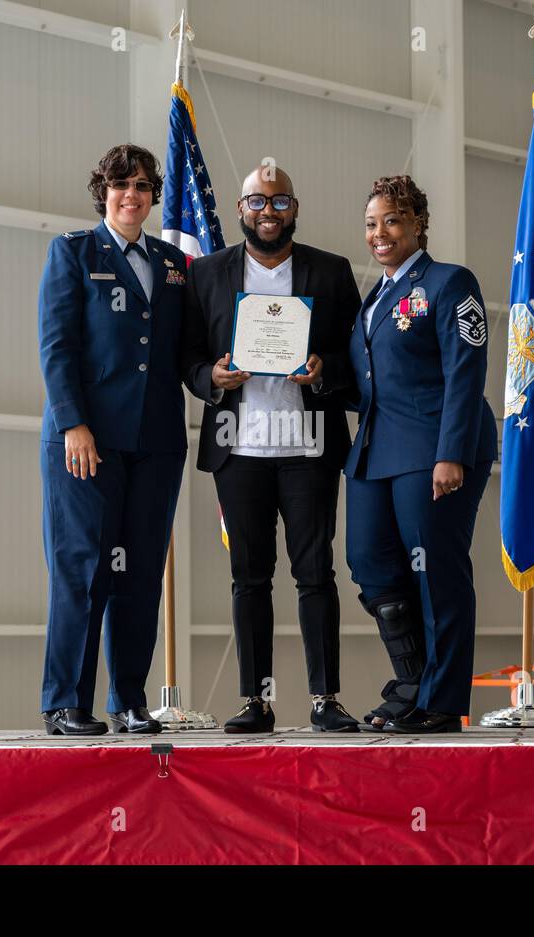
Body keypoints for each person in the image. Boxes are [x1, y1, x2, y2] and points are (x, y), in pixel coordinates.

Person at [183, 164, 362, 733]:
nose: (268, 212)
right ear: (241, 209)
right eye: (257, 202)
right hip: (239, 449)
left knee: (315, 574)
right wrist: (211, 377)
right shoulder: (206, 273)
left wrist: (325, 370)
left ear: (295, 208)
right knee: (249, 577)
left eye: (280, 201)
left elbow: (359, 355)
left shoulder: (331, 271)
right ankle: (255, 702)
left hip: (309, 446)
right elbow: (187, 355)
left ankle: (325, 699)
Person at [36, 144, 189, 735]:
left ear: (153, 196)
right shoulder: (73, 252)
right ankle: (66, 703)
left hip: (156, 442)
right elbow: (57, 346)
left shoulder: (173, 264)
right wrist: (72, 423)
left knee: (140, 573)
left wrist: (217, 375)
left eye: (143, 185)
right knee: (83, 568)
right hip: (87, 440)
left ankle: (128, 700)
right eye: (122, 184)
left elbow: (185, 350)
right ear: (103, 191)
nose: (133, 195)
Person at [345, 175, 497, 733]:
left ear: (417, 224)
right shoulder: (375, 296)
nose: (379, 233)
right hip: (376, 449)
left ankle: (441, 701)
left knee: (435, 572)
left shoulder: (449, 282)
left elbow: (466, 370)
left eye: (392, 220)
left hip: (435, 446)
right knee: (369, 562)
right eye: (371, 223)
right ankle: (412, 685)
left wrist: (451, 452)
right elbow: (371, 379)